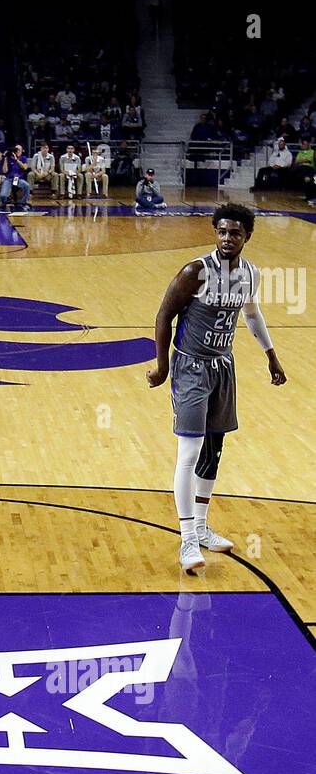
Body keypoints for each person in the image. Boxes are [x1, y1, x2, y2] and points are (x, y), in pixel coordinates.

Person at [146, 204, 287, 574]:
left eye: (235, 233)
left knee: (214, 449)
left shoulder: (251, 274)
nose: (227, 238)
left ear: (247, 236)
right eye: (222, 231)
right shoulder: (195, 271)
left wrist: (271, 356)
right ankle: (187, 537)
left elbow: (252, 315)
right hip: (191, 367)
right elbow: (164, 316)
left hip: (223, 365)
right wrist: (163, 367)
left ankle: (203, 526)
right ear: (215, 232)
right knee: (190, 450)